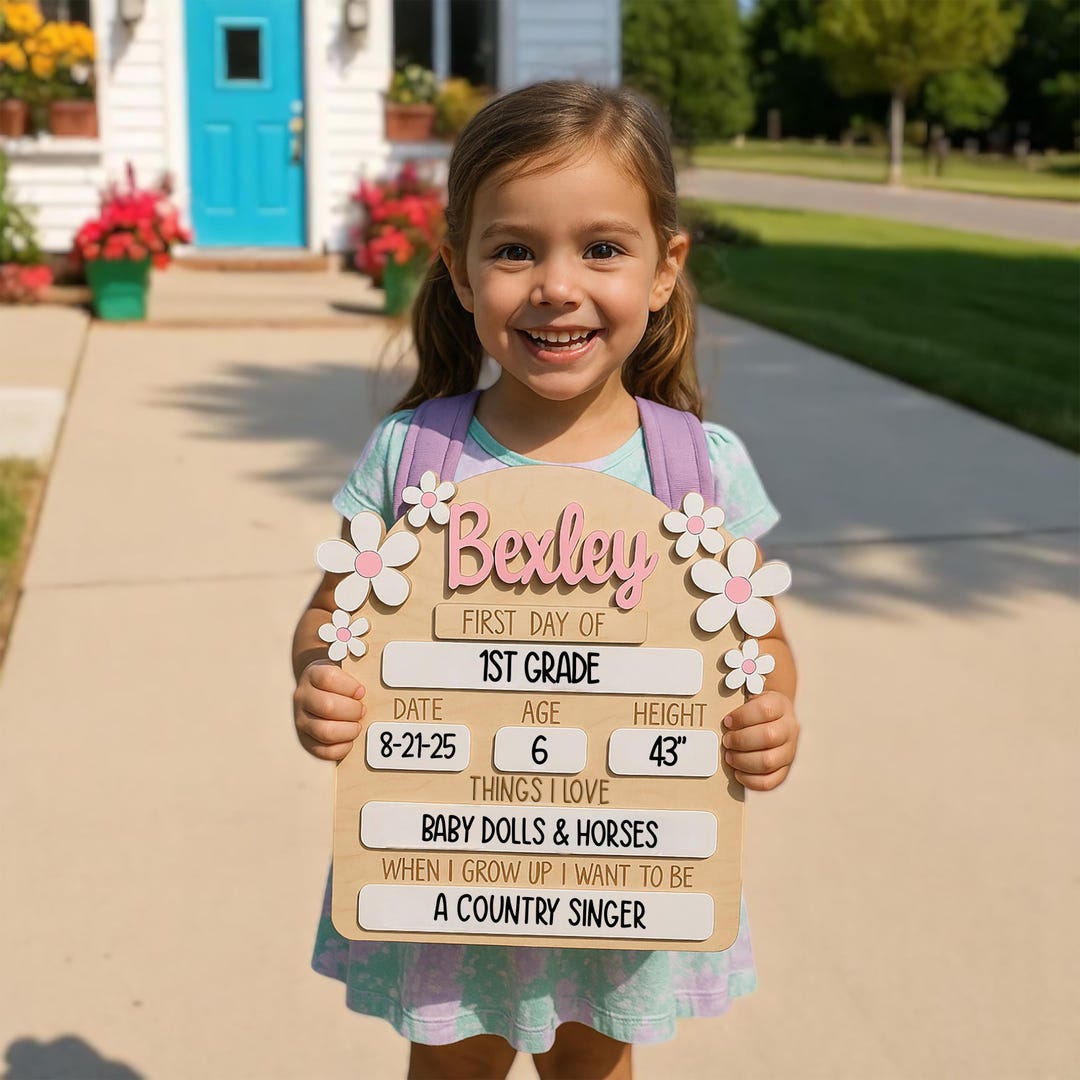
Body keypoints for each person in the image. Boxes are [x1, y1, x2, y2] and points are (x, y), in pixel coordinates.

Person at [292, 80, 799, 1080]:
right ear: (458, 269)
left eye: (602, 248)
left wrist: (769, 711)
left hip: (623, 867)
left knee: (592, 1068)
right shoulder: (414, 457)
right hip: (449, 867)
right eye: (515, 250)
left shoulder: (697, 471)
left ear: (665, 269)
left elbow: (761, 639)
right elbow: (330, 619)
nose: (557, 286)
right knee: (451, 1068)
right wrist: (320, 680)